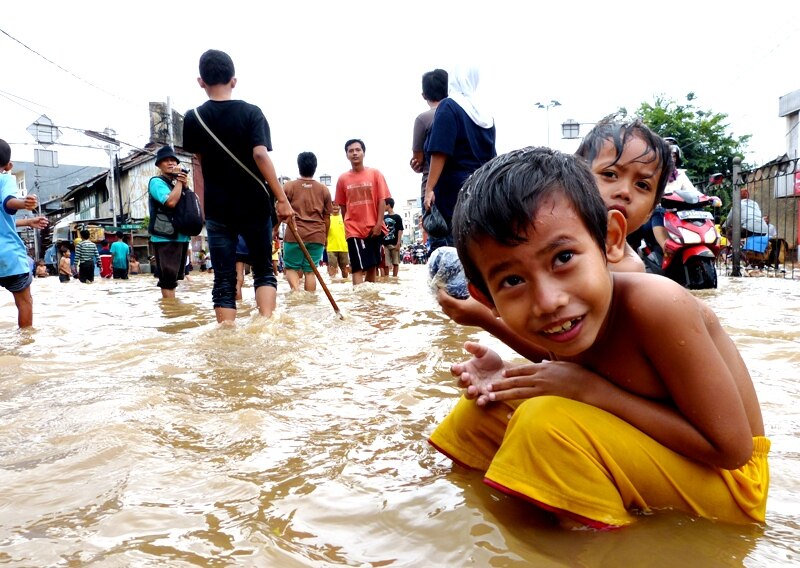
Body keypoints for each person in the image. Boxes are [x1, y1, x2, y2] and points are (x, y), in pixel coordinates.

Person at [429, 146, 769, 529]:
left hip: (731, 483)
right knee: (484, 408)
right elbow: (569, 360)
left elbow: (730, 450)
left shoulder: (658, 305)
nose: (548, 301)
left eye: (562, 258)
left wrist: (589, 391)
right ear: (486, 297)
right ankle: (469, 526)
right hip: (652, 446)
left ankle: (597, 545)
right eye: (512, 281)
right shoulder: (576, 314)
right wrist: (509, 371)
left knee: (545, 424)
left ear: (609, 239)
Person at [437, 116, 673, 359]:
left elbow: (568, 360)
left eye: (642, 185)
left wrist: (485, 318)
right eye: (610, 174)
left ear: (650, 212)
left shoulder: (628, 272)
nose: (624, 191)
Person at [182, 49, 293, 322]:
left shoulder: (193, 118)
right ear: (234, 80)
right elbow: (259, 155)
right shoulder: (252, 113)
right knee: (264, 270)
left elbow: (200, 160)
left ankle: (227, 333)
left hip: (219, 207)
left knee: (224, 277)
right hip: (254, 203)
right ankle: (266, 325)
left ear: (201, 82)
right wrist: (281, 198)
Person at [424, 65, 497, 252]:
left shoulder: (449, 106)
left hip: (452, 195)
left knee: (450, 254)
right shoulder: (484, 114)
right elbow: (492, 158)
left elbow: (440, 151)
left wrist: (429, 188)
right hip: (480, 193)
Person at [334, 139, 391, 285]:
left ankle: (369, 302)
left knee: (372, 265)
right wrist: (348, 225)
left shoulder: (375, 174)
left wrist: (379, 224)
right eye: (351, 151)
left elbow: (381, 201)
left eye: (357, 150)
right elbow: (342, 206)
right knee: (357, 266)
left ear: (363, 153)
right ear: (346, 155)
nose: (354, 153)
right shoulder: (342, 179)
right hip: (354, 229)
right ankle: (358, 301)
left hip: (374, 227)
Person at [0, 139, 39, 328]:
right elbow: (8, 202)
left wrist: (27, 222)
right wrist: (24, 203)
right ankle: (24, 346)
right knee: (24, 302)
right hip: (8, 256)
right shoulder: (6, 178)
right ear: (9, 165)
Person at [282, 152, 332, 292]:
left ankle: (296, 292)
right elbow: (327, 218)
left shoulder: (289, 186)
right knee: (310, 271)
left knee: (291, 268)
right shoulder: (324, 190)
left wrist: (274, 229)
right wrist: (325, 237)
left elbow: (280, 212)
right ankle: (310, 302)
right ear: (315, 167)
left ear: (299, 166)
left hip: (294, 234)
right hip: (317, 235)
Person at [148, 146, 191, 298]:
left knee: (174, 279)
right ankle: (169, 313)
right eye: (166, 161)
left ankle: (173, 312)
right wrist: (180, 182)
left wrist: (184, 185)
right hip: (165, 237)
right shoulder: (156, 182)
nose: (171, 163)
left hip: (180, 236)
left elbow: (189, 203)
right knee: (167, 281)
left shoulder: (176, 184)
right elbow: (171, 202)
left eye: (173, 160)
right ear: (159, 165)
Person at [410, 69, 448, 203]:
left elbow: (418, 160)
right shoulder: (463, 114)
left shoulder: (423, 119)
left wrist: (414, 163)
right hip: (463, 185)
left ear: (424, 95)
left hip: (432, 190)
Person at [326, 203, 349, 280]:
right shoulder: (327, 218)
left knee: (345, 271)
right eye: (333, 205)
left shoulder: (344, 218)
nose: (335, 207)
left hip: (344, 247)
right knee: (332, 270)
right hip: (331, 248)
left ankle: (345, 285)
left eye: (337, 205)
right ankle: (333, 286)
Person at [382, 197, 404, 277]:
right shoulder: (383, 217)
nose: (383, 206)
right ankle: (387, 279)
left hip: (395, 244)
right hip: (385, 244)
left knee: (395, 263)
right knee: (386, 264)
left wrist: (398, 242)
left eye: (384, 205)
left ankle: (395, 278)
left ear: (388, 205)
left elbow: (400, 230)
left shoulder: (397, 217)